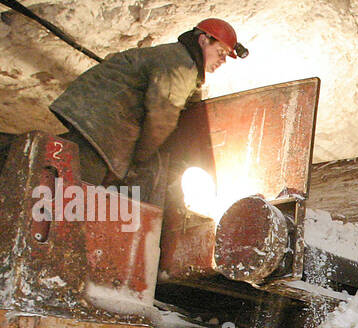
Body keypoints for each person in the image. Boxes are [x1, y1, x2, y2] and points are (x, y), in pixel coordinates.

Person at [49, 18, 248, 199]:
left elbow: (185, 107)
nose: (222, 61)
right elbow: (162, 118)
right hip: (100, 123)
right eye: (221, 52)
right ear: (203, 40)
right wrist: (141, 160)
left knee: (65, 172)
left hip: (95, 117)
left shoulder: (183, 64)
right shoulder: (181, 65)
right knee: (76, 185)